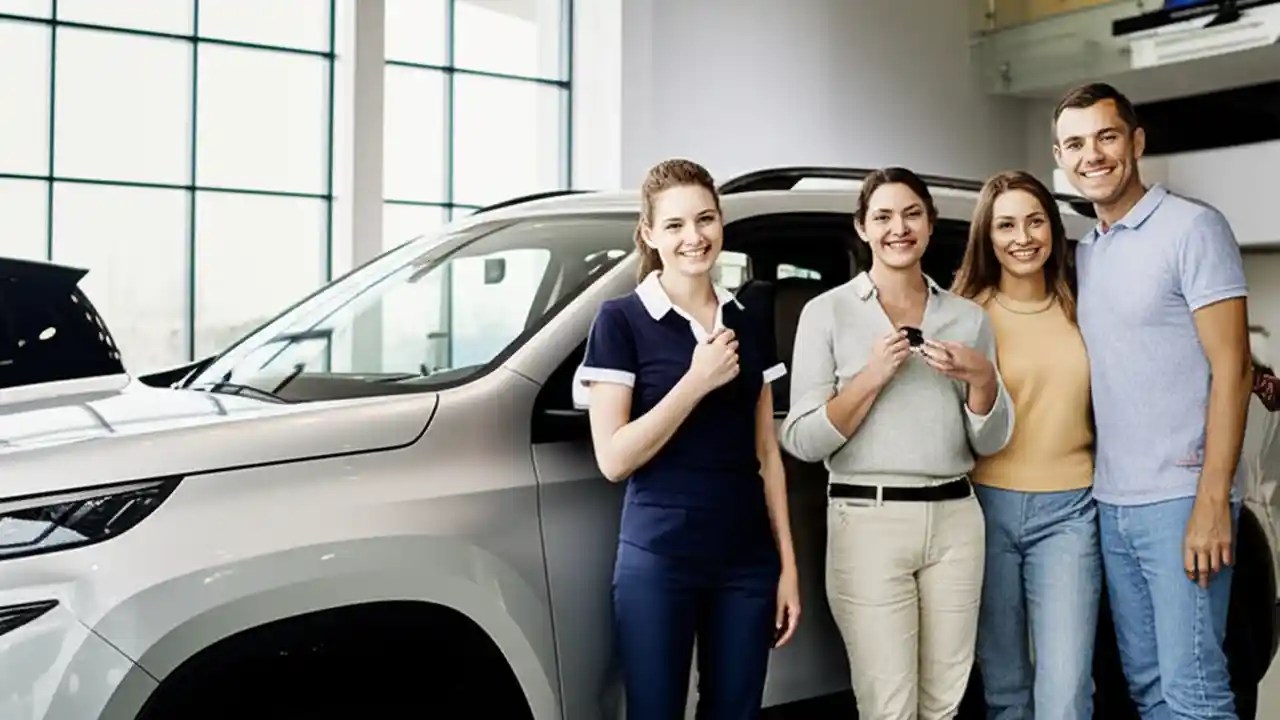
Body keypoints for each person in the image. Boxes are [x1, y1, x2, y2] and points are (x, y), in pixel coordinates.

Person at [779, 166, 1014, 720]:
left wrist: (983, 381)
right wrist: (870, 377)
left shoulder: (967, 318)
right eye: (882, 216)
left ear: (930, 226)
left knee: (944, 702)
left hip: (957, 520)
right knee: (888, 705)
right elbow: (802, 440)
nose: (898, 228)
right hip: (867, 519)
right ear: (862, 228)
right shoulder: (827, 313)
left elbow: (991, 439)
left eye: (911, 215)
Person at [572, 158, 801, 719]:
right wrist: (695, 381)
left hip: (747, 563)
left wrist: (786, 567)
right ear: (649, 234)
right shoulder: (620, 320)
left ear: (722, 224)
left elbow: (766, 452)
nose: (693, 238)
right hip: (659, 560)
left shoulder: (746, 317)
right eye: (674, 225)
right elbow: (614, 458)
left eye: (705, 220)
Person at [1052, 81, 1253, 719]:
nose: (1093, 155)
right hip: (1111, 501)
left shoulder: (1193, 226)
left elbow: (1233, 364)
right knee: (1146, 689)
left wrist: (1212, 503)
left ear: (1136, 142)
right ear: (1059, 156)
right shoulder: (1088, 251)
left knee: (1193, 691)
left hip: (1182, 500)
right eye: (1075, 144)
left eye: (1107, 137)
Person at [951, 170, 1100, 719]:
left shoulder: (1083, 308)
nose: (1023, 237)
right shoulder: (966, 314)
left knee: (1065, 693)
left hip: (1070, 511)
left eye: (1035, 221)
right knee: (1006, 690)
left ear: (1054, 231)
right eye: (1006, 225)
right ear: (986, 237)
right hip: (983, 509)